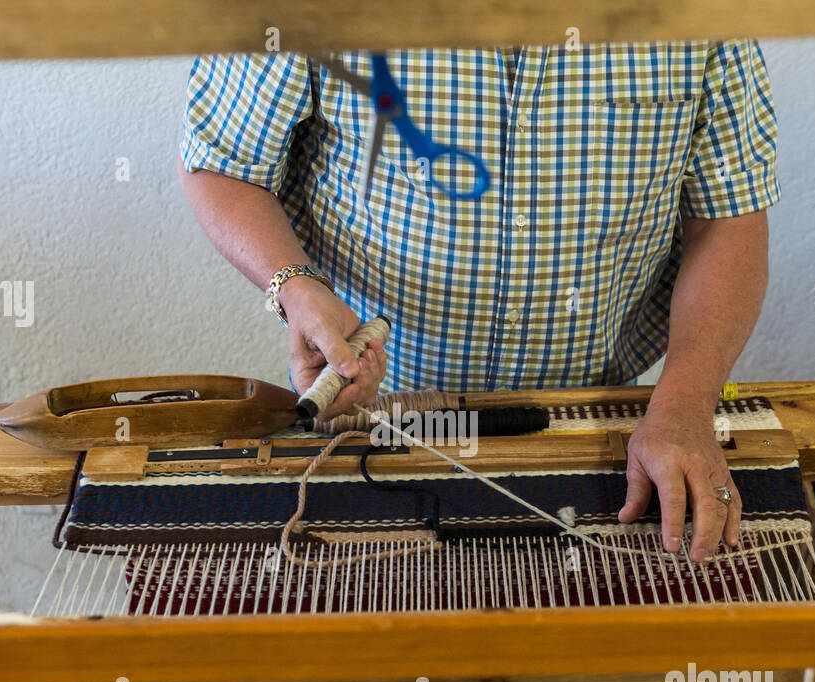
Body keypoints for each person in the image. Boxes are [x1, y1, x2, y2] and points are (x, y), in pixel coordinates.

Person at [179, 43, 779, 563]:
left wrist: (687, 403)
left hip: (596, 430)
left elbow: (728, 219)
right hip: (374, 418)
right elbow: (221, 167)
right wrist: (297, 287)